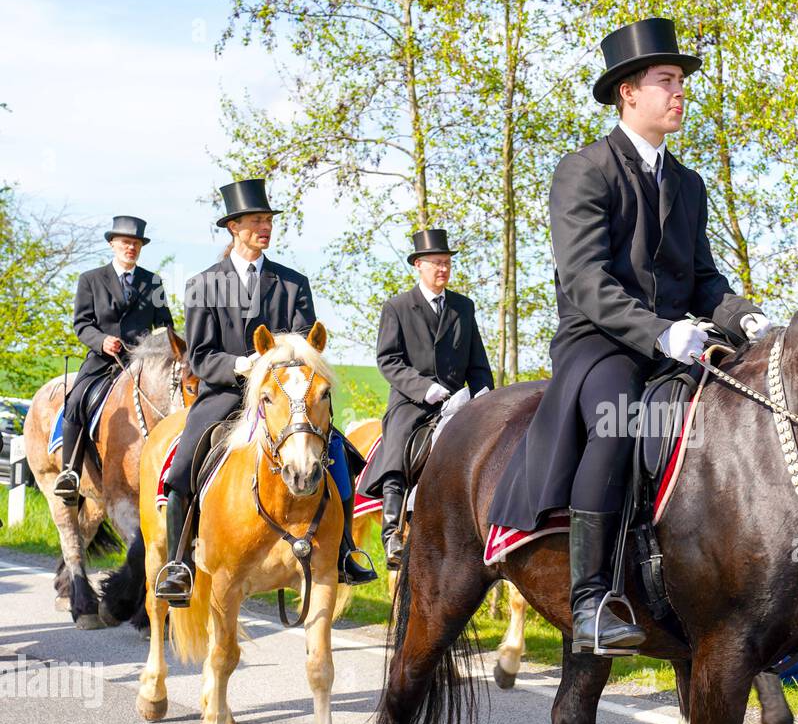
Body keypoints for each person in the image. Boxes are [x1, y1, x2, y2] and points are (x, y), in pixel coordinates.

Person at [488, 17, 769, 656]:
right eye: (666, 81)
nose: (679, 94)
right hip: (599, 342)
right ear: (628, 93)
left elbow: (704, 280)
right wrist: (660, 331)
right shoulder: (584, 171)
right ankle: (591, 600)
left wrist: (747, 318)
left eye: (680, 82)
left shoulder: (688, 184)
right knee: (617, 424)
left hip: (680, 341)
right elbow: (586, 281)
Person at [154, 179, 375, 606]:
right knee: (182, 465)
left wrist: (279, 366)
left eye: (268, 221)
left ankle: (345, 550)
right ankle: (179, 563)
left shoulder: (292, 283)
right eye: (256, 221)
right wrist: (240, 364)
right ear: (234, 227)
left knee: (339, 454)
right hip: (226, 393)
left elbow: (308, 346)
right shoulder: (204, 284)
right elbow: (199, 356)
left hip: (285, 395)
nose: (264, 227)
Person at [363, 228, 494, 565]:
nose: (443, 269)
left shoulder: (463, 307)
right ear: (418, 265)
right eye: (436, 263)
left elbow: (478, 363)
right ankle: (392, 531)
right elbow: (388, 360)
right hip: (412, 401)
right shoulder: (397, 307)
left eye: (447, 263)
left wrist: (484, 395)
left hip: (457, 401)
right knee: (398, 446)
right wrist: (424, 388)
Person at [53, 216, 172, 503]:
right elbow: (82, 324)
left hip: (141, 363)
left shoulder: (152, 282)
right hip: (103, 359)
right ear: (112, 244)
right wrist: (101, 340)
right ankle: (69, 472)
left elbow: (165, 324)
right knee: (76, 400)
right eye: (125, 242)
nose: (131, 247)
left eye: (136, 244)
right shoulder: (91, 280)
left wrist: (158, 346)